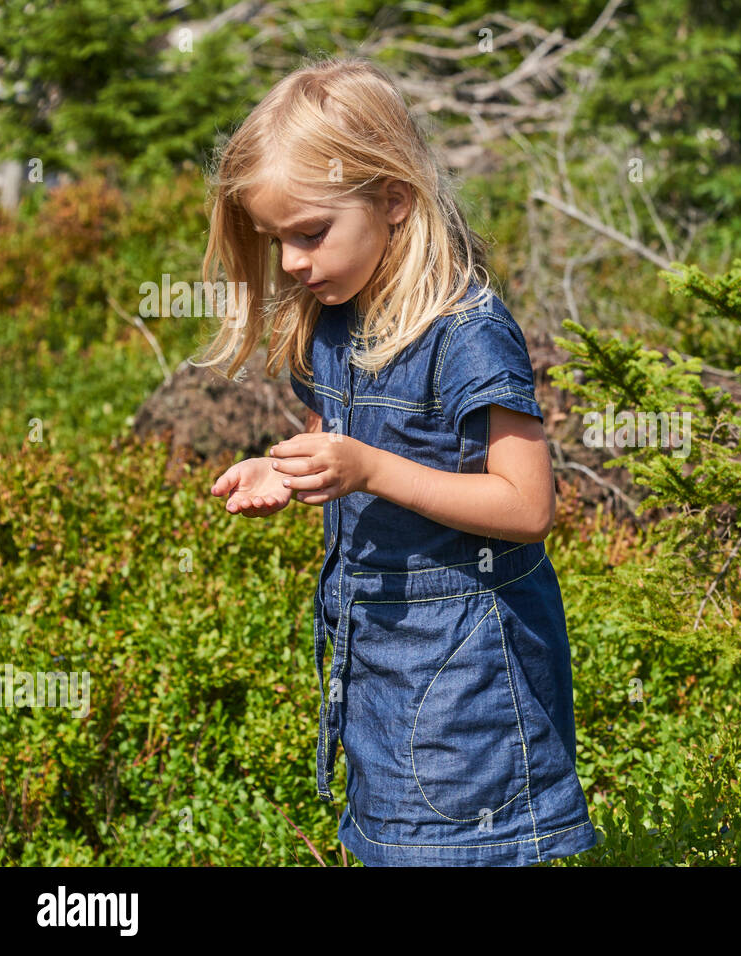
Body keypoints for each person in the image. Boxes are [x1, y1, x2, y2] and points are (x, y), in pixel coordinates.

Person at [197, 55, 597, 866]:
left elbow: (527, 507)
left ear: (395, 201)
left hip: (473, 683)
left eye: (311, 234)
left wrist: (371, 470)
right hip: (379, 666)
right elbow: (336, 431)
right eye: (279, 243)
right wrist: (290, 468)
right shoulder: (337, 316)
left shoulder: (468, 332)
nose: (295, 265)